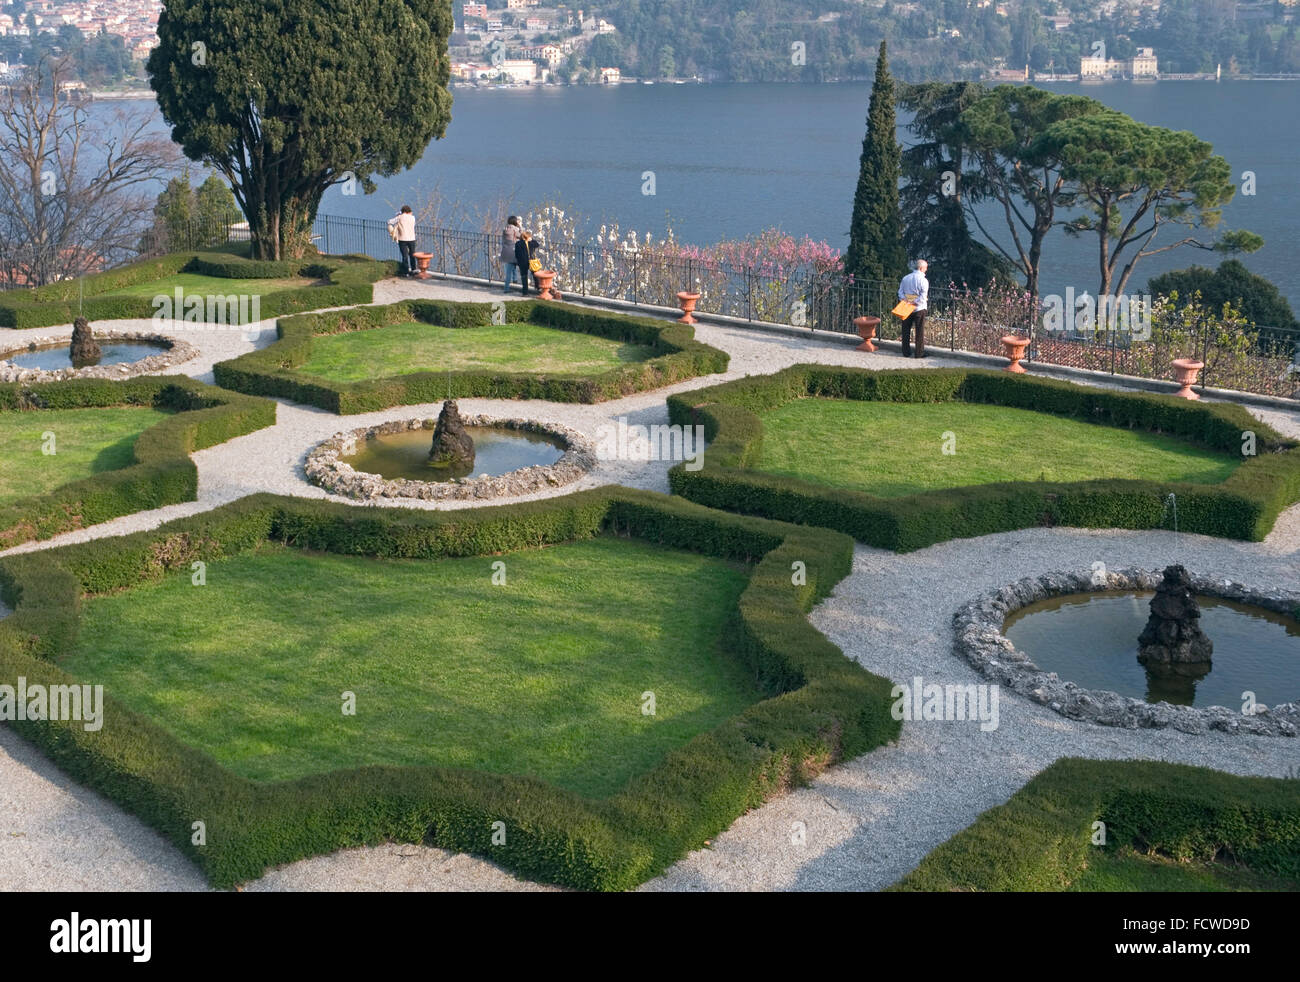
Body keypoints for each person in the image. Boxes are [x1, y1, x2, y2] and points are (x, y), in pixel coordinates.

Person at [897, 259, 929, 358]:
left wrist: (907, 300)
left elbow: (900, 293)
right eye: (925, 268)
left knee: (905, 330)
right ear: (921, 268)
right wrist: (914, 301)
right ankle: (919, 353)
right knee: (919, 331)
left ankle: (906, 352)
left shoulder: (906, 278)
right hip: (919, 308)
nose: (926, 270)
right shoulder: (923, 280)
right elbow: (923, 297)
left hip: (906, 306)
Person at [388, 205, 417, 277]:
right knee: (412, 254)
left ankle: (406, 272)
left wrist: (398, 215)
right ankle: (413, 269)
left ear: (402, 211)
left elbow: (389, 222)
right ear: (409, 211)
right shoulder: (413, 218)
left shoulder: (399, 217)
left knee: (405, 256)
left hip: (402, 239)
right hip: (412, 238)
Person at [514, 230, 543, 296]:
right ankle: (538, 288)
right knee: (535, 275)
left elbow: (516, 254)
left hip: (522, 263)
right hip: (531, 262)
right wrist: (531, 240)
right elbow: (537, 244)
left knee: (524, 277)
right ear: (527, 237)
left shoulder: (518, 244)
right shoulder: (531, 243)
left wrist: (518, 261)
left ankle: (525, 292)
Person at [500, 215, 522, 293]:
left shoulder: (505, 229)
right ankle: (506, 289)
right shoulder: (515, 229)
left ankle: (515, 279)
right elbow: (521, 236)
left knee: (511, 265)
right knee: (509, 271)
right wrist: (520, 227)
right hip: (513, 251)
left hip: (505, 251)